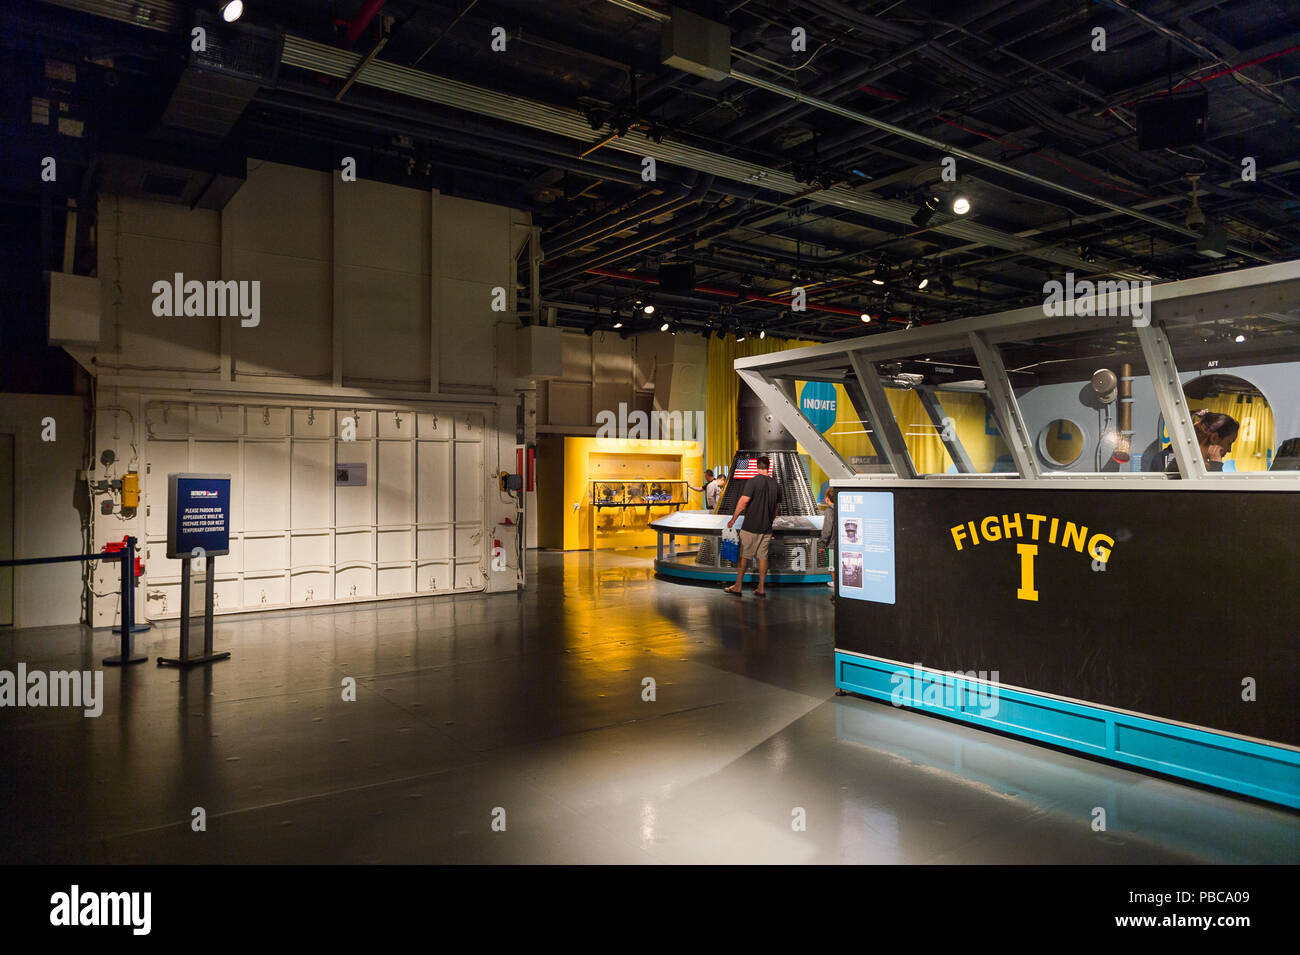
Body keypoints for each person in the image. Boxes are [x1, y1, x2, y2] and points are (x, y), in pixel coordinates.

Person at [723, 456, 782, 597]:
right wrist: (770, 521)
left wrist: (733, 519)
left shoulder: (752, 482)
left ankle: (738, 586)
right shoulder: (776, 485)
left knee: (744, 556)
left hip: (750, 526)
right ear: (768, 467)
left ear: (757, 467)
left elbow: (743, 501)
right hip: (767, 528)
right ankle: (761, 588)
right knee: (763, 557)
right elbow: (776, 508)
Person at [1152, 410, 1240, 474]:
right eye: (1229, 443)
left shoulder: (1197, 465)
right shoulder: (1180, 465)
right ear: (1214, 438)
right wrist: (1216, 466)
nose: (1229, 450)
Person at [819, 486, 837, 601]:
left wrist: (821, 544)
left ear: (827, 499)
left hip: (832, 546)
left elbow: (827, 529)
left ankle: (837, 595)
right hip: (840, 545)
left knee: (832, 569)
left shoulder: (829, 511)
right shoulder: (840, 509)